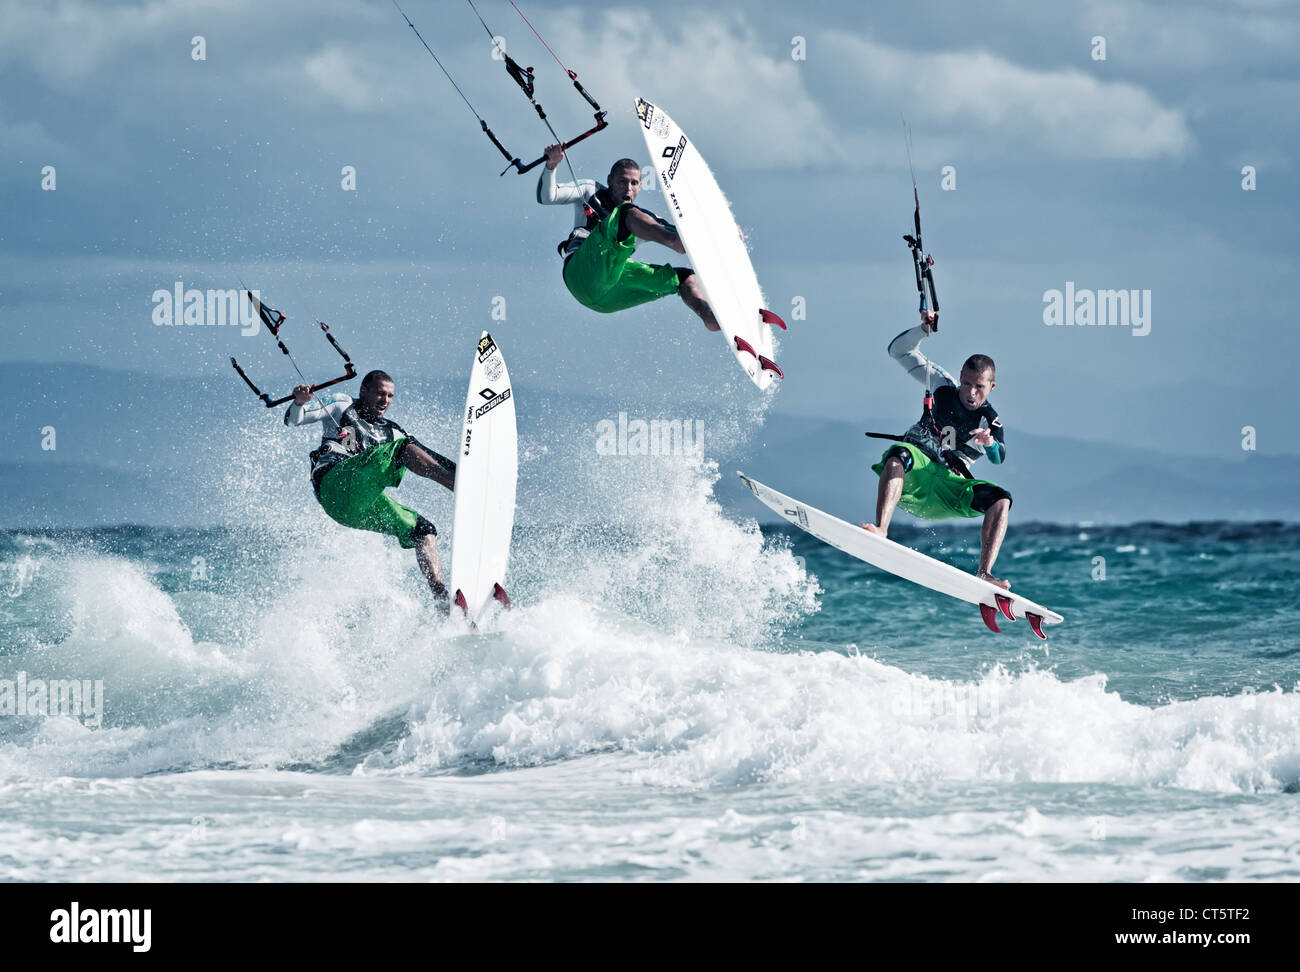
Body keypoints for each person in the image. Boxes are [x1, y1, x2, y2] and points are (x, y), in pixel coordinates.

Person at [865, 311, 1015, 589]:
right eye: (967, 383)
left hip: (949, 486)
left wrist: (990, 443)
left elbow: (999, 457)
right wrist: (922, 330)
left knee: (1001, 499)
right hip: (916, 473)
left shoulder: (990, 422)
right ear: (960, 377)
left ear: (991, 387)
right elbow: (898, 351)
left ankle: (984, 573)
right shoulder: (941, 384)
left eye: (979, 387)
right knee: (899, 454)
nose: (971, 393)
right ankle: (881, 529)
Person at [284, 370, 457, 604]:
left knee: (422, 530)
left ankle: (442, 600)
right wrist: (299, 402)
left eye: (390, 396)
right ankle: (459, 489)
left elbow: (430, 457)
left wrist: (460, 470)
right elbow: (293, 419)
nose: (385, 400)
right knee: (402, 448)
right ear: (363, 391)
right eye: (379, 393)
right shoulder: (340, 404)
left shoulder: (393, 431)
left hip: (355, 508)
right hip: (335, 484)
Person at [536, 145, 719, 330]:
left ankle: (709, 317)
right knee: (624, 212)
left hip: (610, 293)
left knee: (685, 277)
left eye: (634, 183)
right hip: (580, 274)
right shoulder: (590, 191)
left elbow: (690, 232)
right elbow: (547, 196)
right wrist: (551, 165)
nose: (628, 188)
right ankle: (673, 242)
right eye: (622, 182)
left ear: (640, 186)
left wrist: (718, 232)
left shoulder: (645, 219)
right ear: (610, 180)